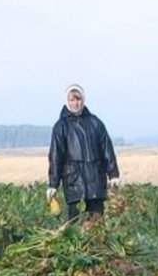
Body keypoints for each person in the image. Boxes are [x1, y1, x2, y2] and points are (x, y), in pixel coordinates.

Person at [47, 84, 120, 223]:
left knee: (97, 226)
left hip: (96, 183)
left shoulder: (96, 123)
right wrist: (53, 184)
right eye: (72, 100)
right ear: (67, 101)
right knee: (76, 227)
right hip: (74, 185)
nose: (75, 103)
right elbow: (56, 158)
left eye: (78, 99)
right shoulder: (60, 127)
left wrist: (113, 175)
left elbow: (107, 150)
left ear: (83, 100)